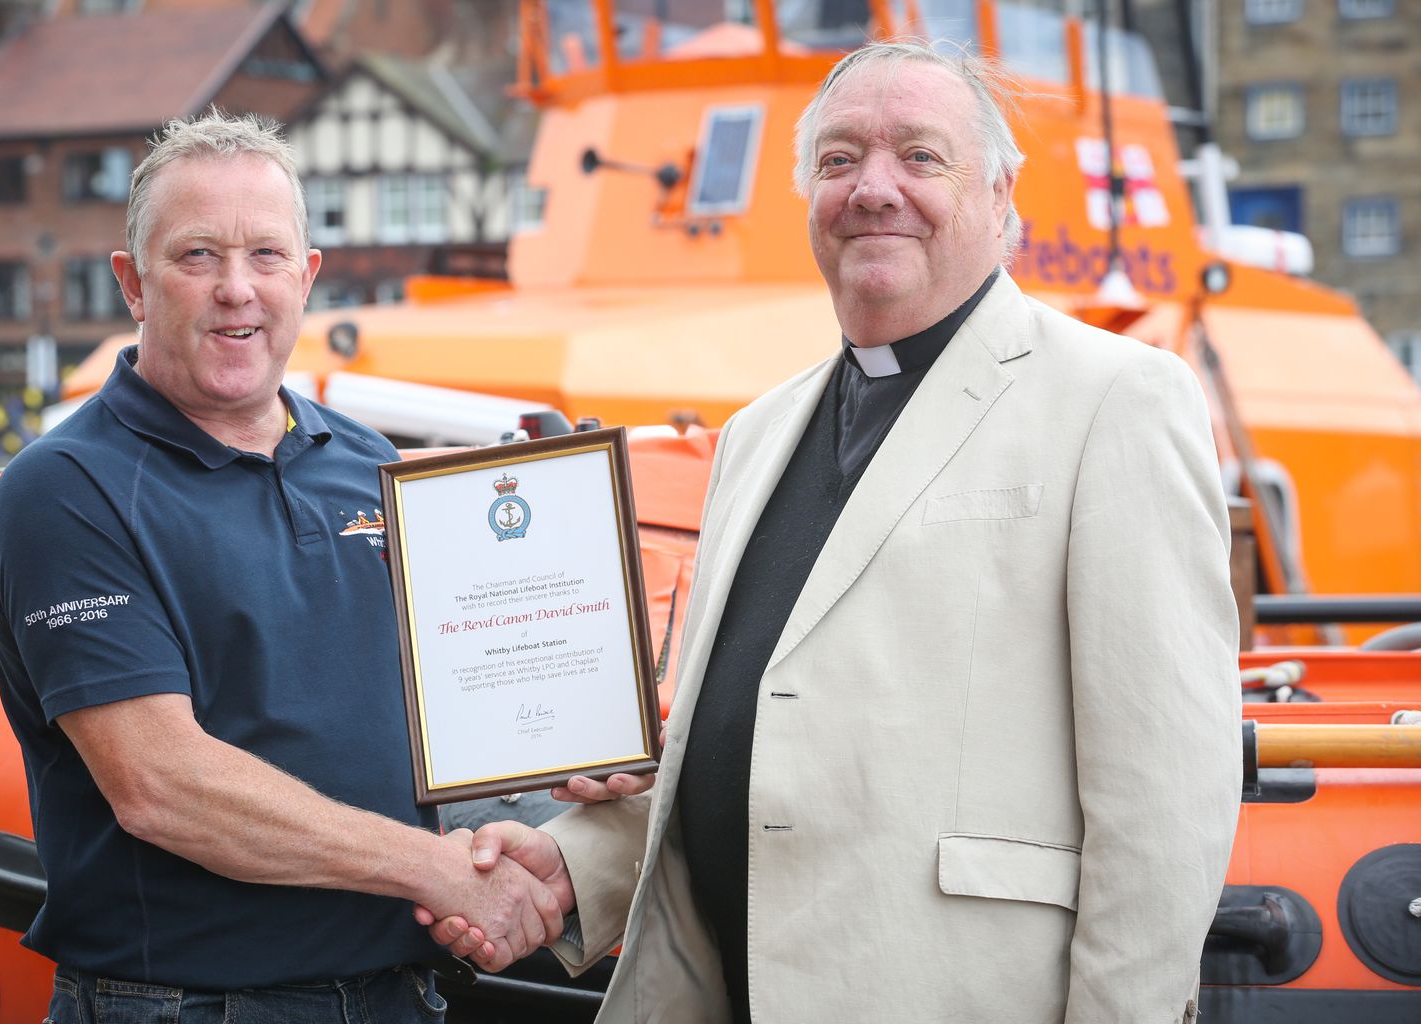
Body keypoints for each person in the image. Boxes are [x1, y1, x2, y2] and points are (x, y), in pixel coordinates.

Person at [424, 41, 1243, 1023]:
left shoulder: (1113, 400)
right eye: (839, 158)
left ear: (998, 190)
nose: (873, 189)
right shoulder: (756, 435)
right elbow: (728, 740)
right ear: (807, 191)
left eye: (919, 157)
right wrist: (572, 864)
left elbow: (1162, 801)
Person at [0, 110, 564, 1023]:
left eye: (265, 255)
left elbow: (457, 710)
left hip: (401, 996)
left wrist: (569, 766)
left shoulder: (375, 466)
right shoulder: (65, 489)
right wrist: (440, 871)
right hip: (184, 1003)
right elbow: (162, 787)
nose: (236, 290)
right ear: (133, 285)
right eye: (197, 256)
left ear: (307, 276)